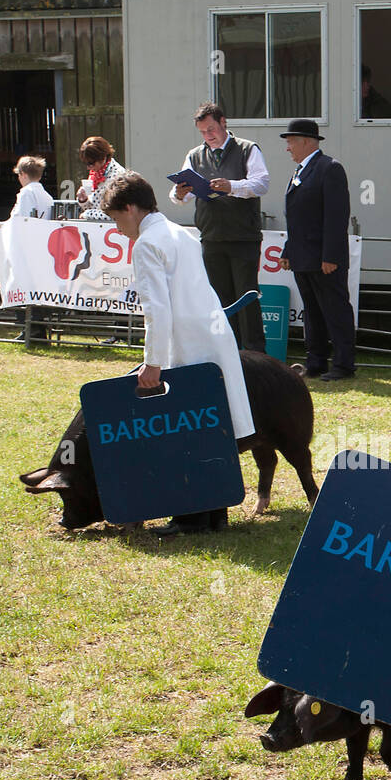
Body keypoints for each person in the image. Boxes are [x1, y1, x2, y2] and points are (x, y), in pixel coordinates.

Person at [99, 172, 255, 538]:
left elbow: (157, 309)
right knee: (211, 426)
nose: (118, 228)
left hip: (186, 343)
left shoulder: (147, 244)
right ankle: (215, 515)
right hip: (213, 337)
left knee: (186, 429)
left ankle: (190, 519)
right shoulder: (182, 233)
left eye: (117, 218)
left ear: (132, 208)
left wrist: (152, 361)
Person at [170, 101, 269, 353]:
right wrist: (180, 193)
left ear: (224, 123)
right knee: (220, 300)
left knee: (247, 298)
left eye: (212, 129)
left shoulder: (247, 149)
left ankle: (254, 355)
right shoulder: (195, 155)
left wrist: (232, 187)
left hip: (243, 237)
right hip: (211, 237)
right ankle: (227, 352)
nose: (208, 136)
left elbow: (262, 184)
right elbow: (178, 195)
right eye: (203, 132)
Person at [278, 119, 354, 381]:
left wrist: (330, 256)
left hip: (323, 258)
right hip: (303, 256)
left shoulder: (329, 168)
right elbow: (296, 217)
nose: (288, 148)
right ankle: (317, 361)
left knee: (335, 309)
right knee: (312, 312)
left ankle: (344, 364)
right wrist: (288, 249)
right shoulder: (300, 171)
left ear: (306, 142)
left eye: (290, 142)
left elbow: (336, 216)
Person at [76, 136, 126, 221]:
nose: (88, 167)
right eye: (86, 163)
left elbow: (113, 215)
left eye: (91, 163)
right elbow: (92, 206)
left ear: (103, 158)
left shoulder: (117, 177)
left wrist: (87, 214)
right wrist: (83, 200)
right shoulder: (96, 173)